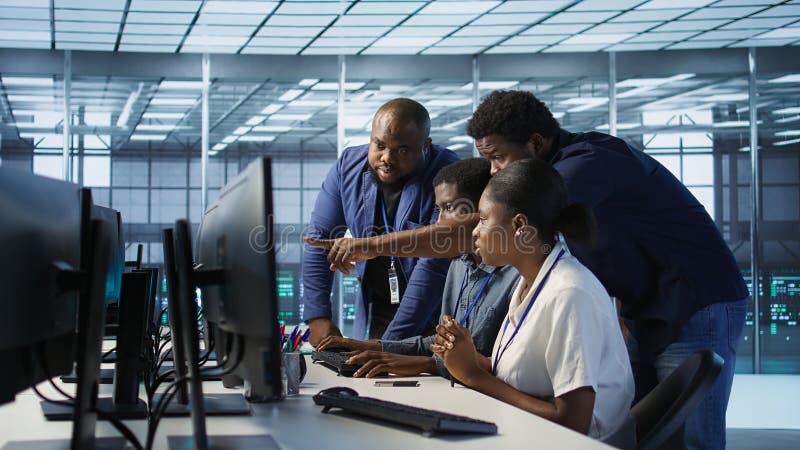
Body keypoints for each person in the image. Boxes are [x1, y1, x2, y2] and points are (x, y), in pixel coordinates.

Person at [306, 90, 748, 450]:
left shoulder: (581, 168)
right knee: (641, 431)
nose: (492, 173)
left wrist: (366, 247)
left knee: (688, 440)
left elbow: (466, 233)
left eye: (498, 159)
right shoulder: (535, 274)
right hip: (644, 303)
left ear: (535, 144)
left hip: (697, 299)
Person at [431, 158, 634, 443]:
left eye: (484, 219)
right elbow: (526, 373)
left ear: (519, 226)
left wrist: (474, 376)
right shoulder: (532, 280)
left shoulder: (569, 294)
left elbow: (573, 423)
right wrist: (469, 358)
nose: (475, 231)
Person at [316, 158, 519, 378]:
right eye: (438, 209)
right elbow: (442, 344)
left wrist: (423, 364)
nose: (439, 221)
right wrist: (375, 347)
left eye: (450, 208)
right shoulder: (459, 266)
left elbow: (499, 364)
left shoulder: (515, 275)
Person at [302, 98, 459, 345]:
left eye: (402, 150)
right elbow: (318, 241)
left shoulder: (448, 175)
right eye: (380, 145)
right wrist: (318, 317)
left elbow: (433, 265)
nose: (387, 157)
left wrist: (387, 346)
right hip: (380, 304)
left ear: (425, 146)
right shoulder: (348, 167)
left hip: (435, 313)